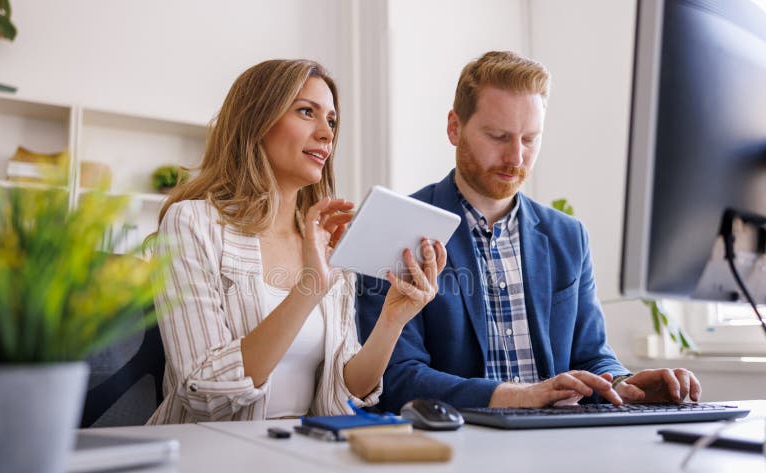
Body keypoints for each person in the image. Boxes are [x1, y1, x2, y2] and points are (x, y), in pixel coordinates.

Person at [356, 51, 702, 413]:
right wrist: (516, 396)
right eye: (498, 136)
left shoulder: (568, 237)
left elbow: (590, 355)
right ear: (454, 127)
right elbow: (394, 378)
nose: (516, 158)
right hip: (456, 447)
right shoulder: (396, 228)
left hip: (558, 445)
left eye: (530, 139)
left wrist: (624, 385)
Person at [148, 59, 445, 423]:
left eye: (332, 121)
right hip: (208, 452)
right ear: (256, 120)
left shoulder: (327, 241)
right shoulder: (192, 224)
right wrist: (310, 287)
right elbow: (203, 389)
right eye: (307, 112)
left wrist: (393, 320)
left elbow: (343, 388)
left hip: (300, 450)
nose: (326, 134)